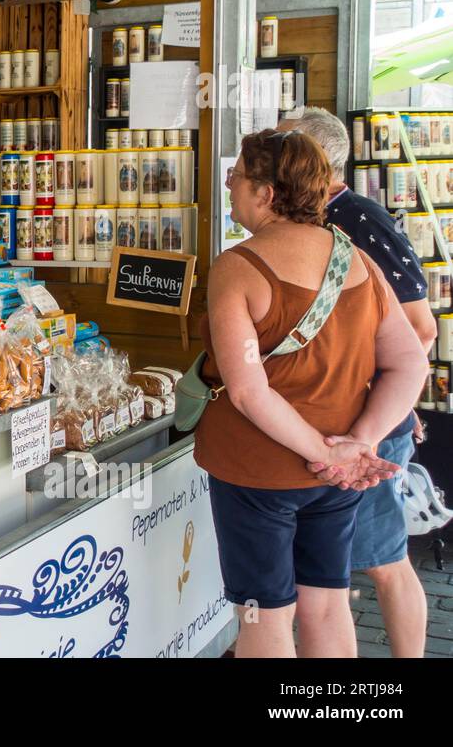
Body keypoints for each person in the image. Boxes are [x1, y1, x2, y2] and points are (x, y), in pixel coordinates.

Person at [195, 129, 426, 658]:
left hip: (258, 472)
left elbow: (249, 392)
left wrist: (328, 452)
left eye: (237, 176)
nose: (229, 185)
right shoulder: (357, 262)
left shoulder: (239, 267)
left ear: (266, 194)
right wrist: (356, 445)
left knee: (264, 616)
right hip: (337, 476)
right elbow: (410, 360)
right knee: (327, 602)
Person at [282, 109, 435, 658]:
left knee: (385, 562)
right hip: (337, 426)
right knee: (335, 569)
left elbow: (420, 328)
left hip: (366, 431)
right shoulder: (315, 220)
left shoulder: (360, 219)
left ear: (312, 160)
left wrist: (382, 410)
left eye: (282, 145)